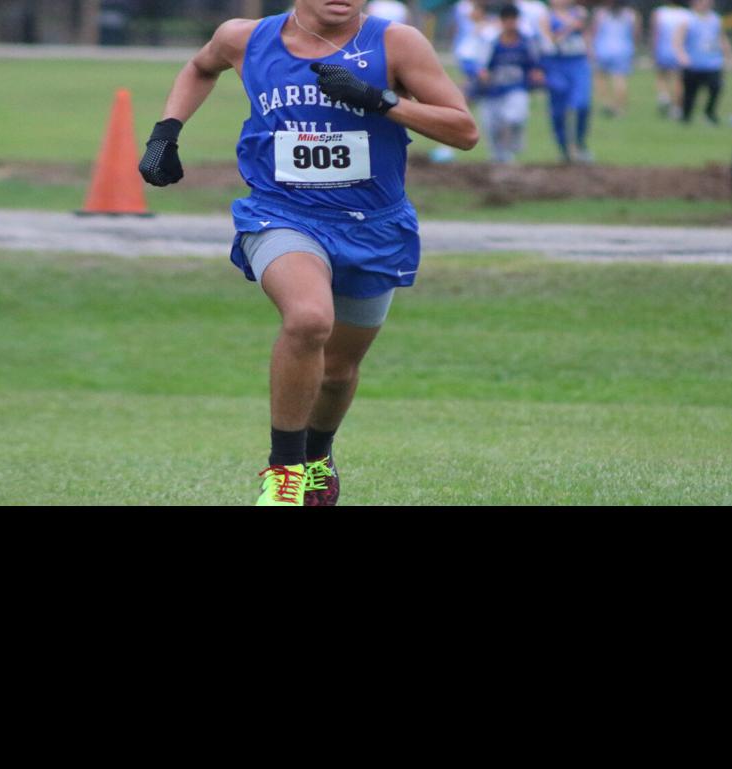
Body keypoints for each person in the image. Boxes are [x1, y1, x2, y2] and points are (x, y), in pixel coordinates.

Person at [138, 0, 478, 506]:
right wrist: (166, 132)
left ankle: (318, 455)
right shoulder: (244, 38)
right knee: (308, 319)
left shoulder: (397, 43)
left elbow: (464, 131)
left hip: (374, 227)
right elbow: (199, 67)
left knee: (338, 371)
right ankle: (285, 471)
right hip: (281, 214)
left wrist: (379, 99)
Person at [476, 4, 542, 163]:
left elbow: (535, 64)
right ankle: (498, 157)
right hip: (493, 90)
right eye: (507, 20)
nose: (510, 23)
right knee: (492, 127)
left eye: (513, 20)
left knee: (515, 117)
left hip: (516, 88)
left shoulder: (526, 43)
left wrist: (536, 74)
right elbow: (481, 66)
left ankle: (512, 148)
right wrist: (482, 75)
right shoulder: (492, 43)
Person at [542, 0, 592, 163]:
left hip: (578, 63)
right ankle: (564, 149)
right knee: (558, 111)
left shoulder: (580, 12)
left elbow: (586, 36)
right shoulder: (546, 17)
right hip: (557, 64)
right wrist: (569, 26)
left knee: (582, 104)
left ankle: (580, 144)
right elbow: (551, 41)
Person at [672, 0, 732, 125]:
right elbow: (678, 40)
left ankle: (709, 113)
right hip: (693, 62)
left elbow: (721, 38)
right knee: (690, 92)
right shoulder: (687, 19)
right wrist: (682, 55)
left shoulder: (715, 19)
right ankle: (686, 116)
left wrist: (728, 54)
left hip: (712, 62)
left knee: (715, 88)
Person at [591, 0, 638, 119]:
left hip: (603, 49)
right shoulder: (631, 14)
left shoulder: (600, 13)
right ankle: (619, 108)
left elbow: (594, 32)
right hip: (623, 49)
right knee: (620, 79)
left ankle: (606, 103)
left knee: (600, 77)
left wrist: (591, 48)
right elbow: (635, 34)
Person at [650, 1, 688, 118]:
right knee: (679, 80)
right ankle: (677, 108)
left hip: (663, 50)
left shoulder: (659, 12)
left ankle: (664, 95)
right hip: (680, 51)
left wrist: (653, 49)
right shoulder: (686, 14)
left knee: (661, 76)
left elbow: (655, 33)